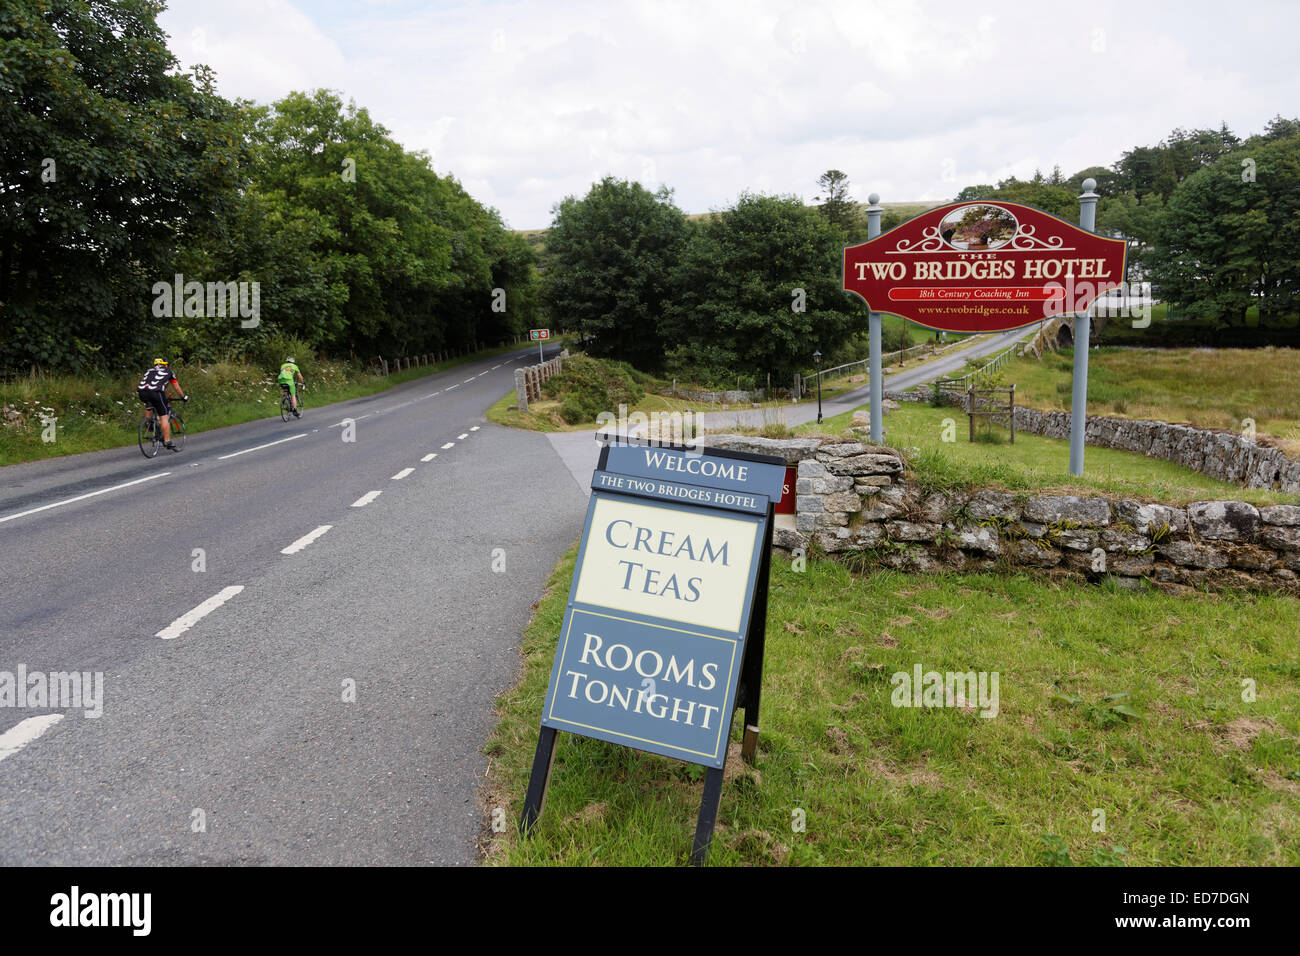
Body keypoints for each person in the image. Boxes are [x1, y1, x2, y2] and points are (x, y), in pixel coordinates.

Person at [137, 358, 187, 451]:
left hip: (142, 392)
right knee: (164, 416)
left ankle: (149, 423)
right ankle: (167, 441)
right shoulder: (169, 371)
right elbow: (176, 387)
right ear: (166, 365)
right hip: (156, 393)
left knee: (149, 404)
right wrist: (183, 397)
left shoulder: (149, 370)